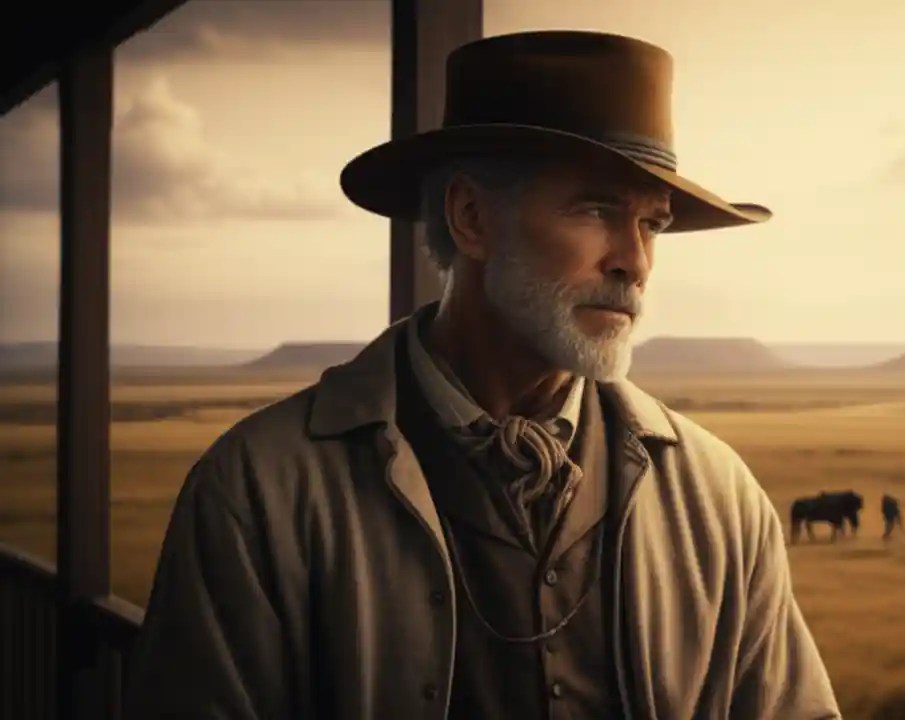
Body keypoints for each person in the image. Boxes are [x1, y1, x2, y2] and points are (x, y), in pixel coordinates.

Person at [125, 29, 841, 720]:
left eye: (652, 224)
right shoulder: (261, 490)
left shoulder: (719, 499)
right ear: (471, 218)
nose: (635, 261)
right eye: (596, 209)